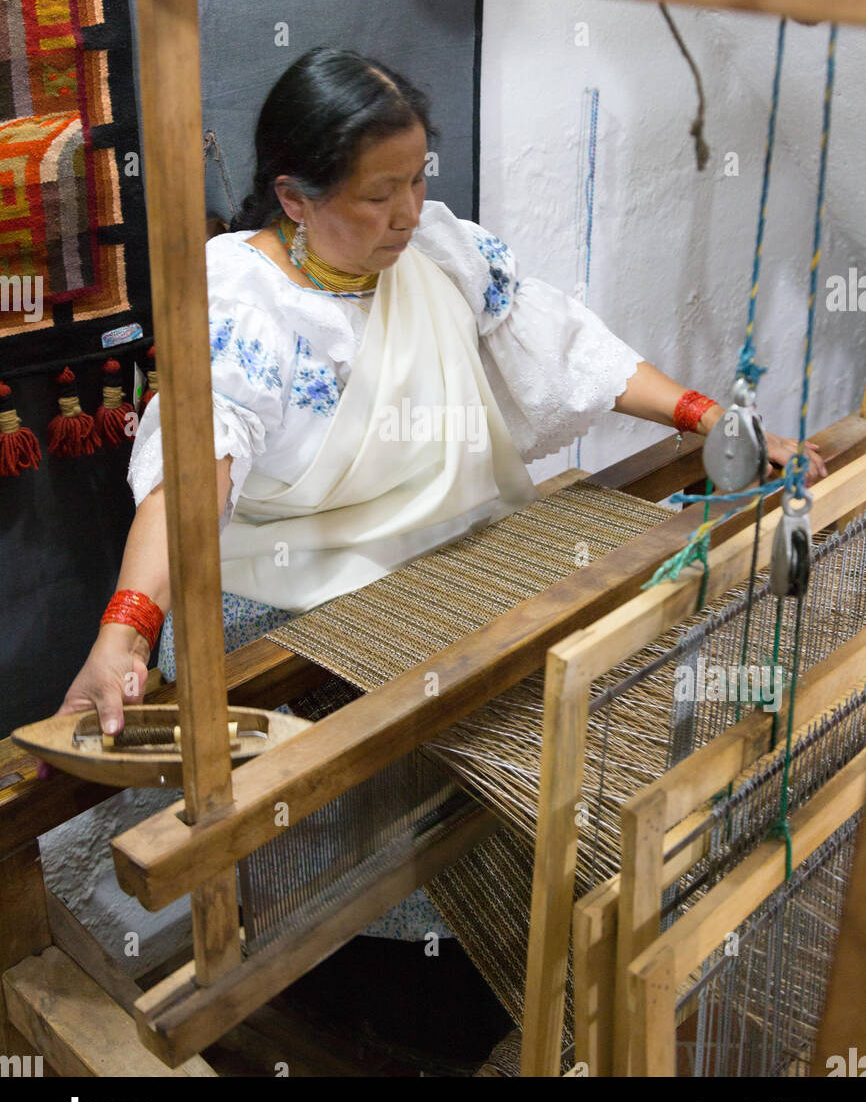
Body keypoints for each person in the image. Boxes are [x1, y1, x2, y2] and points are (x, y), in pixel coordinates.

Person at [52, 47, 826, 937]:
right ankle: (373, 945)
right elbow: (199, 464)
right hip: (297, 608)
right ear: (294, 197)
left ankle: (550, 916)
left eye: (417, 180)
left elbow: (566, 346)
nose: (408, 214)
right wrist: (129, 627)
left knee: (590, 702)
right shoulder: (242, 302)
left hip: (454, 564)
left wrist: (704, 419)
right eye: (377, 195)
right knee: (390, 807)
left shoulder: (444, 251)